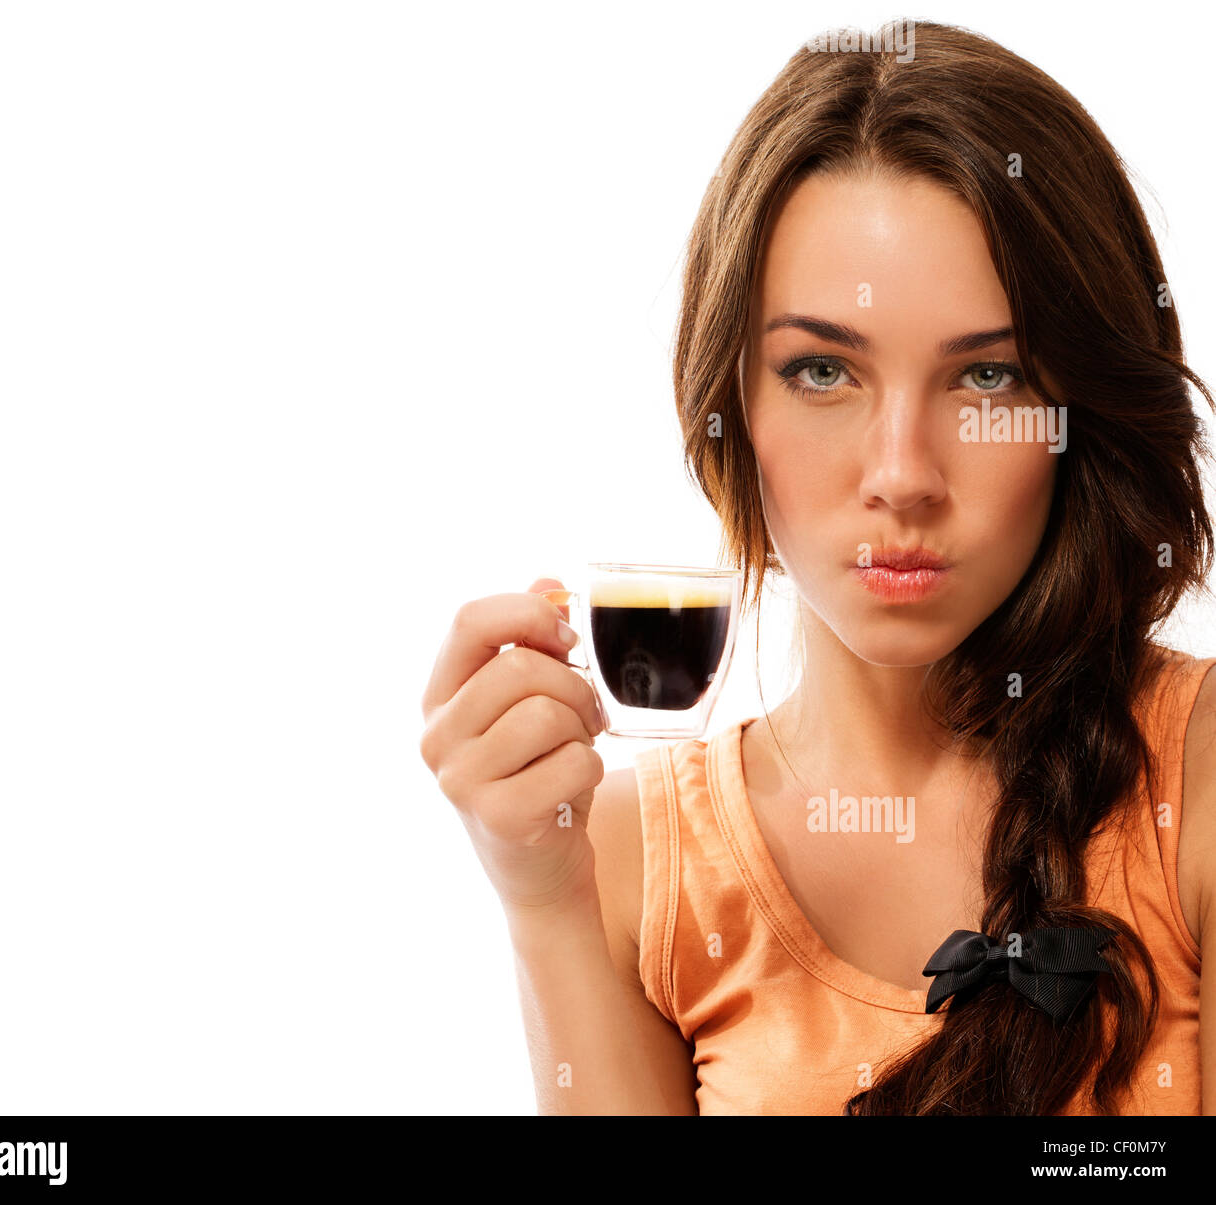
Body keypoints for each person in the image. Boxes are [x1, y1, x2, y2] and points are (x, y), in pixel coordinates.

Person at [418, 19, 1216, 1115]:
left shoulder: (1197, 784)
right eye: (823, 369)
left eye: (986, 376)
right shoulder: (624, 856)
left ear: (1077, 412)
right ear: (730, 405)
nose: (901, 475)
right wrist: (540, 897)